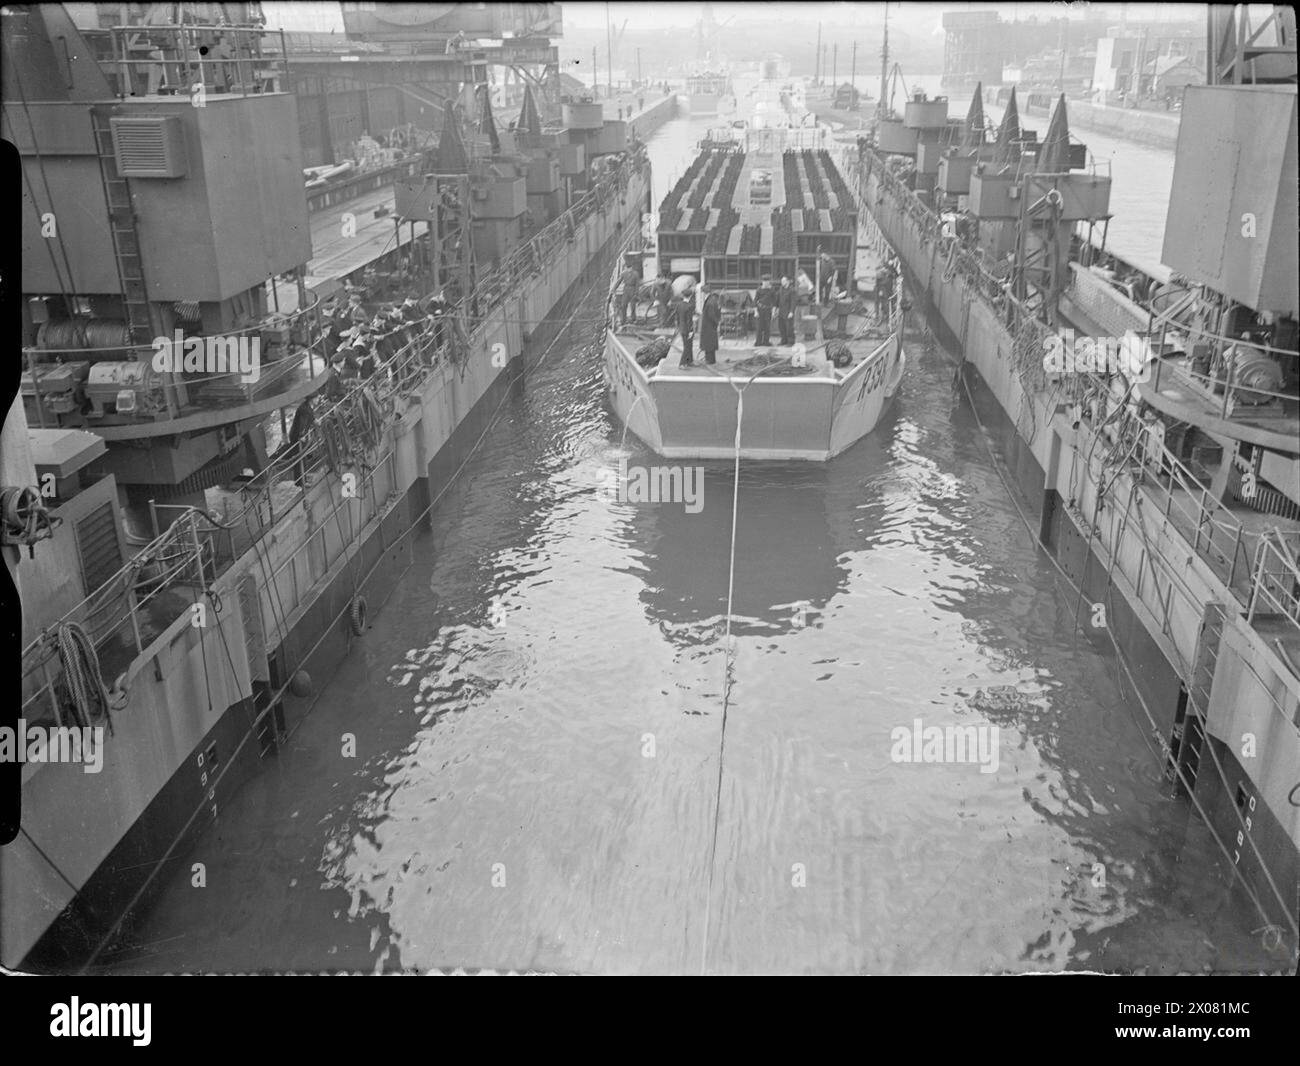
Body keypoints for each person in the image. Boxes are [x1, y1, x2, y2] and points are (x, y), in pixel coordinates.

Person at [675, 292, 696, 367]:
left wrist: (678, 327)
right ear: (690, 296)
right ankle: (682, 363)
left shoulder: (679, 305)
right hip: (687, 329)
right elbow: (689, 320)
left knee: (688, 345)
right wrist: (690, 331)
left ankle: (689, 361)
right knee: (687, 346)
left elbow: (677, 317)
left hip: (681, 328)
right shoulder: (689, 306)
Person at [700, 290, 721, 365]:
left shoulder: (709, 302)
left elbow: (711, 315)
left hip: (708, 325)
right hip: (711, 325)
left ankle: (709, 360)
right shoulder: (712, 301)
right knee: (711, 343)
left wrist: (716, 322)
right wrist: (717, 322)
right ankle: (711, 359)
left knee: (708, 343)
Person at [617, 263, 641, 327]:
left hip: (633, 290)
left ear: (632, 268)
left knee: (633, 306)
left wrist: (636, 293)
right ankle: (623, 320)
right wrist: (613, 289)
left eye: (630, 268)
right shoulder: (623, 273)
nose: (628, 269)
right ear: (626, 268)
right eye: (627, 268)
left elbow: (637, 284)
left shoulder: (636, 274)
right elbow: (618, 281)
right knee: (623, 305)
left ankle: (633, 319)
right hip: (626, 290)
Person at [755, 276, 775, 346]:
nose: (766, 283)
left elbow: (774, 301)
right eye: (764, 281)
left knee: (767, 327)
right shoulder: (759, 289)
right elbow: (755, 301)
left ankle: (766, 342)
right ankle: (758, 342)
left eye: (767, 281)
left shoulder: (772, 290)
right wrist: (756, 311)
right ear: (762, 282)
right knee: (759, 327)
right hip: (760, 310)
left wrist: (773, 311)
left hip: (768, 310)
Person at [777, 276, 796, 346]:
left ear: (788, 281)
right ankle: (783, 340)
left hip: (788, 312)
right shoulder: (780, 289)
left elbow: (793, 302)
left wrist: (791, 312)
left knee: (789, 327)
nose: (782, 283)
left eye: (784, 281)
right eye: (781, 281)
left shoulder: (792, 290)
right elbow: (778, 300)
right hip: (781, 311)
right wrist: (776, 308)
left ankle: (791, 341)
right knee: (781, 327)